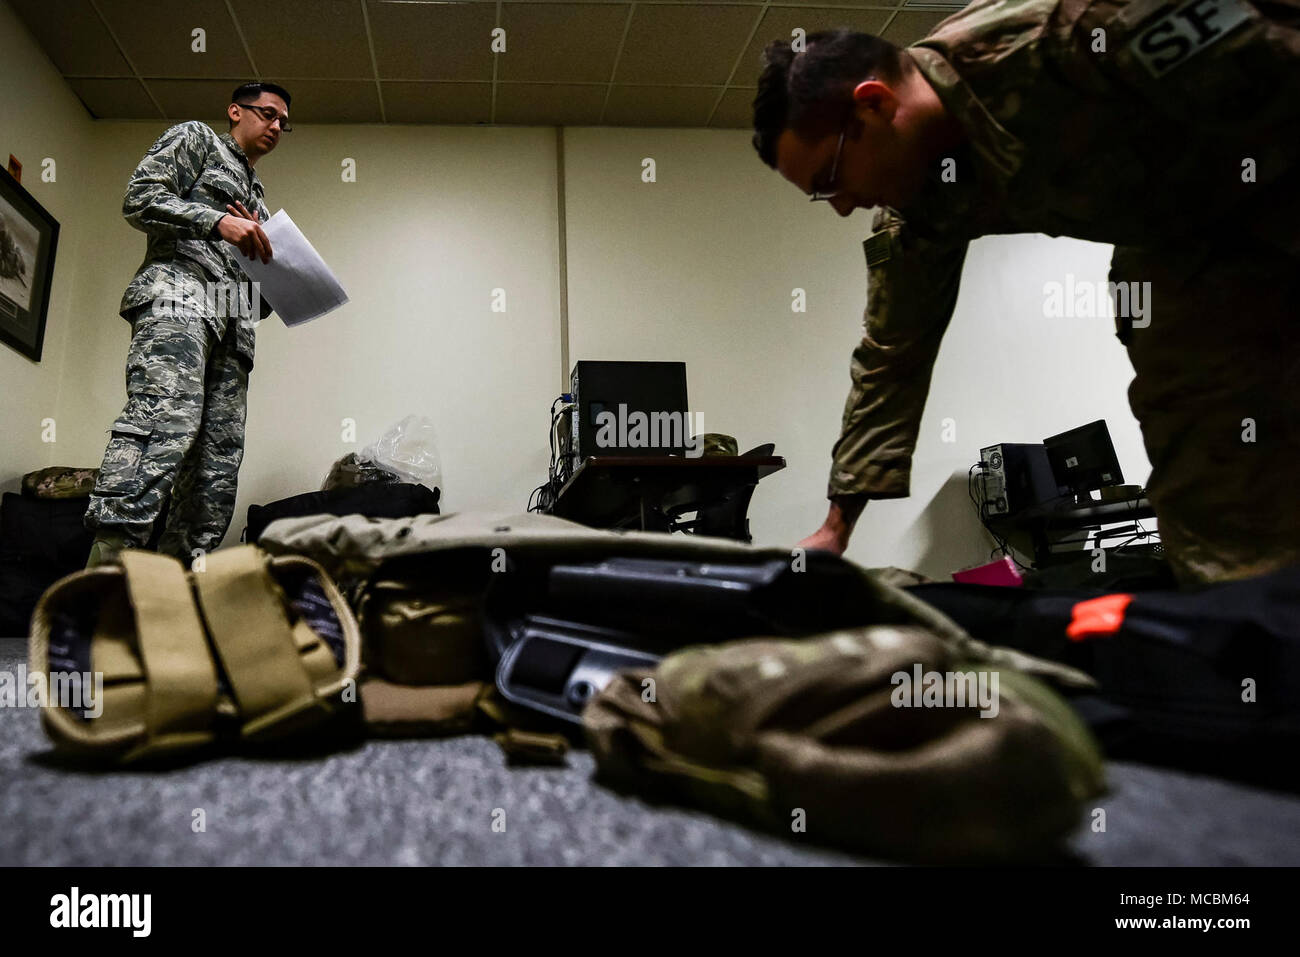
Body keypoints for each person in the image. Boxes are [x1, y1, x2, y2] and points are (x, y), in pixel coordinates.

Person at [752, 0, 1300, 584]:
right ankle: (1255, 630)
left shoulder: (1067, 35)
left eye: (830, 179)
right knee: (1202, 453)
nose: (839, 207)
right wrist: (837, 529)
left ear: (876, 102)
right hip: (1181, 240)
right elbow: (892, 358)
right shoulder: (916, 209)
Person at [85, 82, 292, 567]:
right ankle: (100, 581)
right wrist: (217, 221)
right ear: (235, 111)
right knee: (164, 425)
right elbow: (139, 199)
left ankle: (173, 594)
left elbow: (254, 298)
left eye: (284, 121)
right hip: (179, 299)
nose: (277, 126)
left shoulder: (259, 202)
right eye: (268, 114)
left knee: (215, 468)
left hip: (231, 331)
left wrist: (281, 286)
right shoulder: (197, 139)